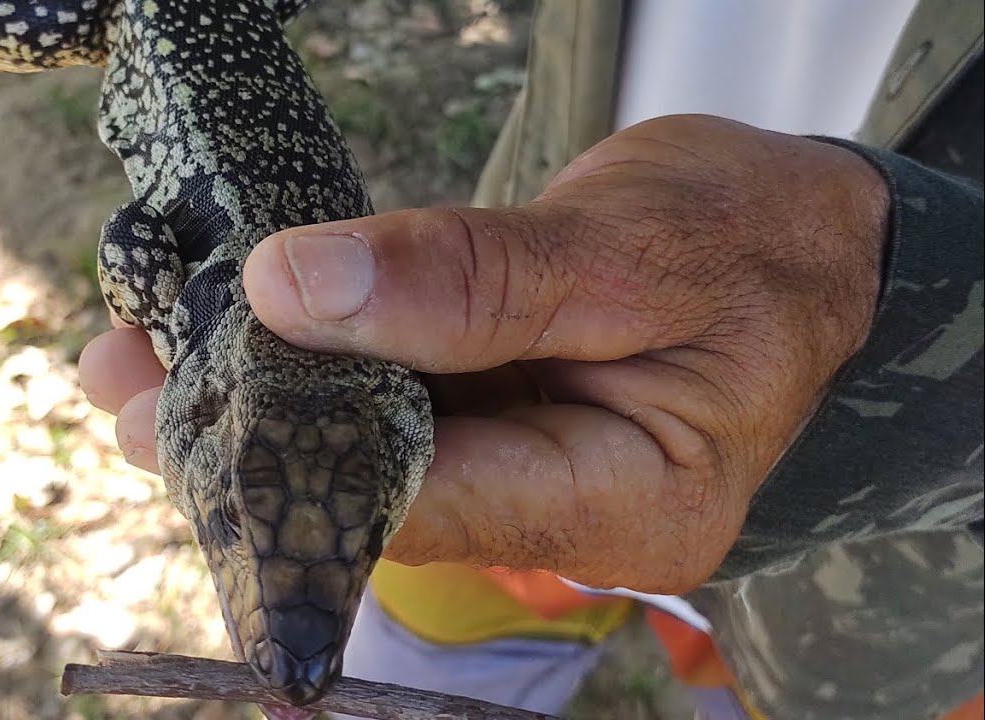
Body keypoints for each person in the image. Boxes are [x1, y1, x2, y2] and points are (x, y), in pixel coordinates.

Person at [78, 1, 983, 717]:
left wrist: (910, 329)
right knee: (417, 615)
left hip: (891, 596)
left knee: (761, 692)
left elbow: (134, 249)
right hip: (489, 423)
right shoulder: (355, 473)